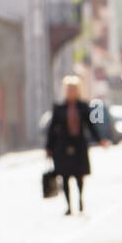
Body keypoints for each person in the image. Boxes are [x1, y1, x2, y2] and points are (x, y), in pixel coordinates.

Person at [45, 75, 105, 215]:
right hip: (62, 147)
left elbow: (90, 126)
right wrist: (48, 147)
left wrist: (100, 139)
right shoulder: (59, 107)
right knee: (64, 177)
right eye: (69, 89)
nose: (71, 91)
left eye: (73, 89)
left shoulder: (83, 106)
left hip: (79, 145)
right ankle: (69, 206)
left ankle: (80, 201)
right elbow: (52, 129)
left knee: (79, 176)